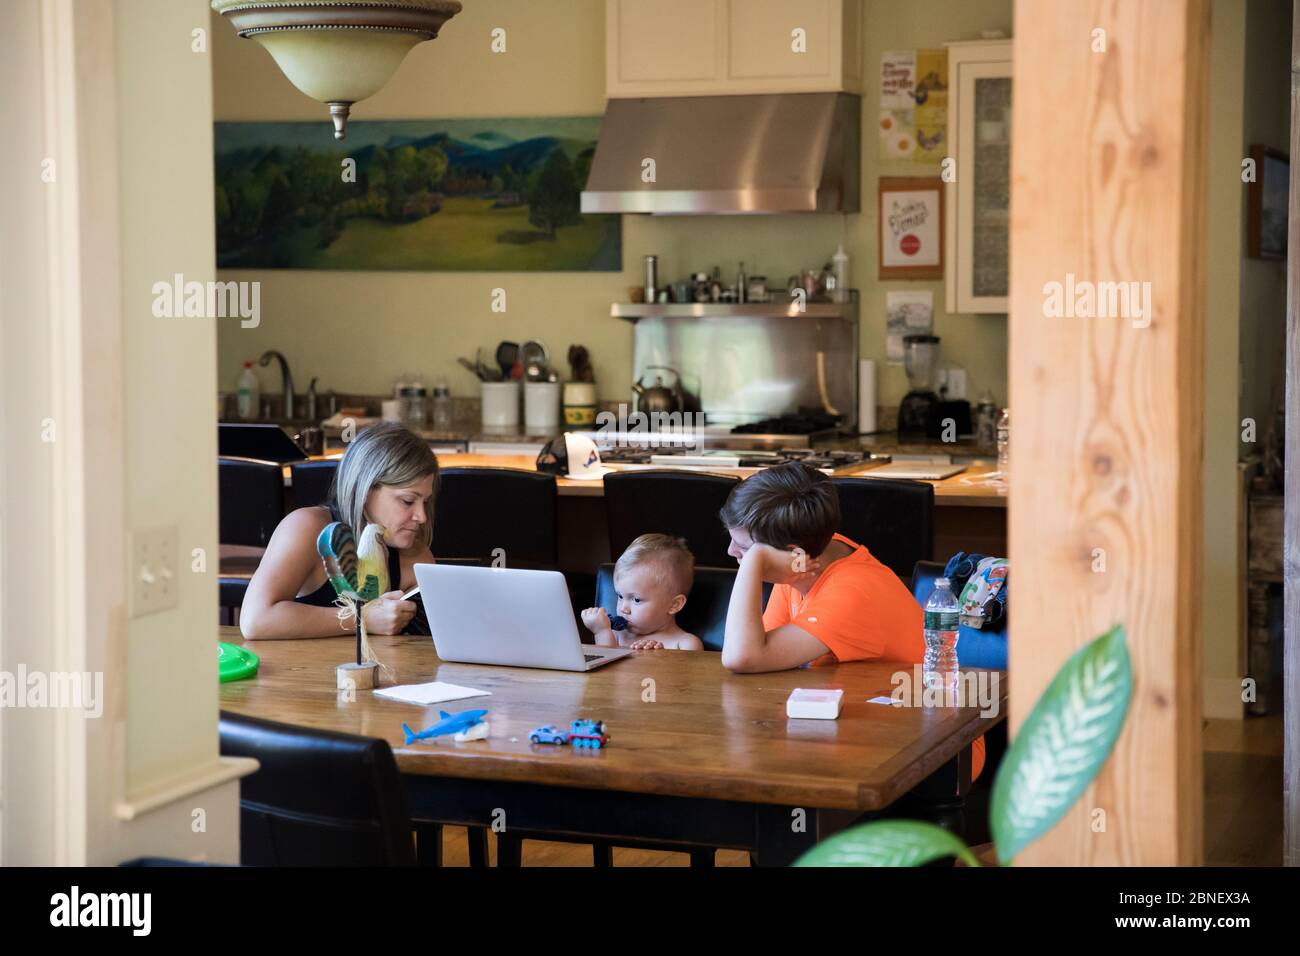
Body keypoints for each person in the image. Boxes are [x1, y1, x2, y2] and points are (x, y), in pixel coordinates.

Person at [717, 462, 983, 779]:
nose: (730, 551)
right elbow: (764, 655)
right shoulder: (813, 552)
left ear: (791, 553)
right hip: (862, 725)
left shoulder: (852, 589)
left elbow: (740, 656)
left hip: (935, 749)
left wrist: (753, 564)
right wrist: (757, 557)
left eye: (744, 548)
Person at [239, 423, 437, 640]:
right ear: (364, 490)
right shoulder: (307, 528)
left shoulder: (415, 557)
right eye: (407, 501)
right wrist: (362, 618)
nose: (422, 516)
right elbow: (256, 620)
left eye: (425, 502)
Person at [582, 534, 703, 650]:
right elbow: (606, 667)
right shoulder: (615, 636)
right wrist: (602, 632)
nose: (623, 608)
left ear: (674, 605)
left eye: (636, 599)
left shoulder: (686, 644)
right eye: (620, 596)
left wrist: (661, 657)